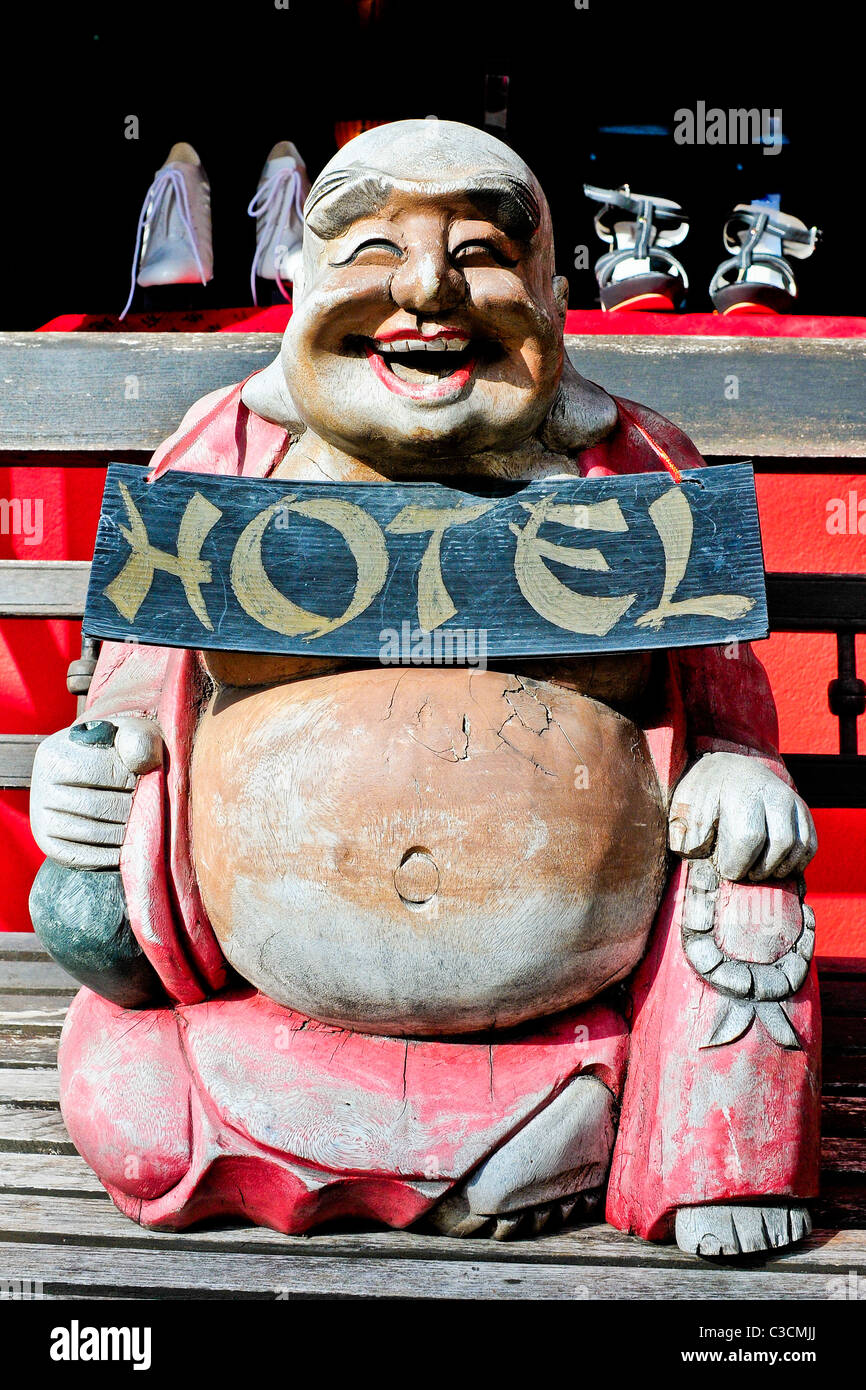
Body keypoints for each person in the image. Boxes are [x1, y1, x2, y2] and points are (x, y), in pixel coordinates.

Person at [30, 119, 819, 1253]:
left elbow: (725, 689)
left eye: (480, 252)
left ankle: (614, 1124)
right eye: (368, 247)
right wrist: (92, 766)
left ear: (550, 291)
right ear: (298, 277)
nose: (423, 290)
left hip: (567, 1008)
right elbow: (131, 689)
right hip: (267, 1004)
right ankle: (495, 1145)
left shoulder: (635, 462)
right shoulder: (226, 451)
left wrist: (740, 768)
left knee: (748, 903)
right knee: (127, 1098)